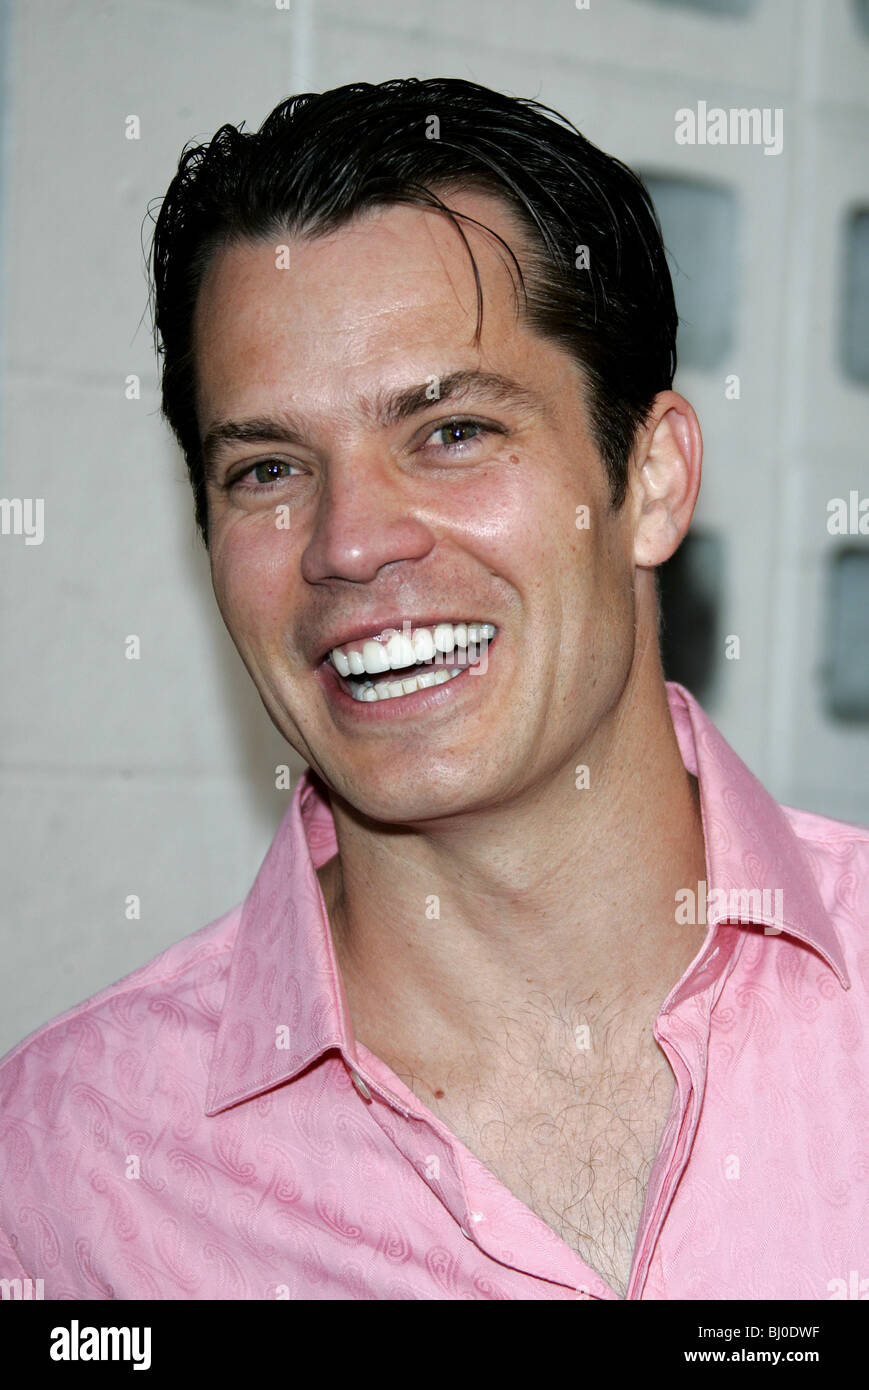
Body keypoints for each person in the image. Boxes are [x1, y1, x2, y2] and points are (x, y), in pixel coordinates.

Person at [1, 78, 867, 1303]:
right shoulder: (61, 1182)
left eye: (450, 431)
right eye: (266, 467)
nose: (348, 542)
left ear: (654, 478)